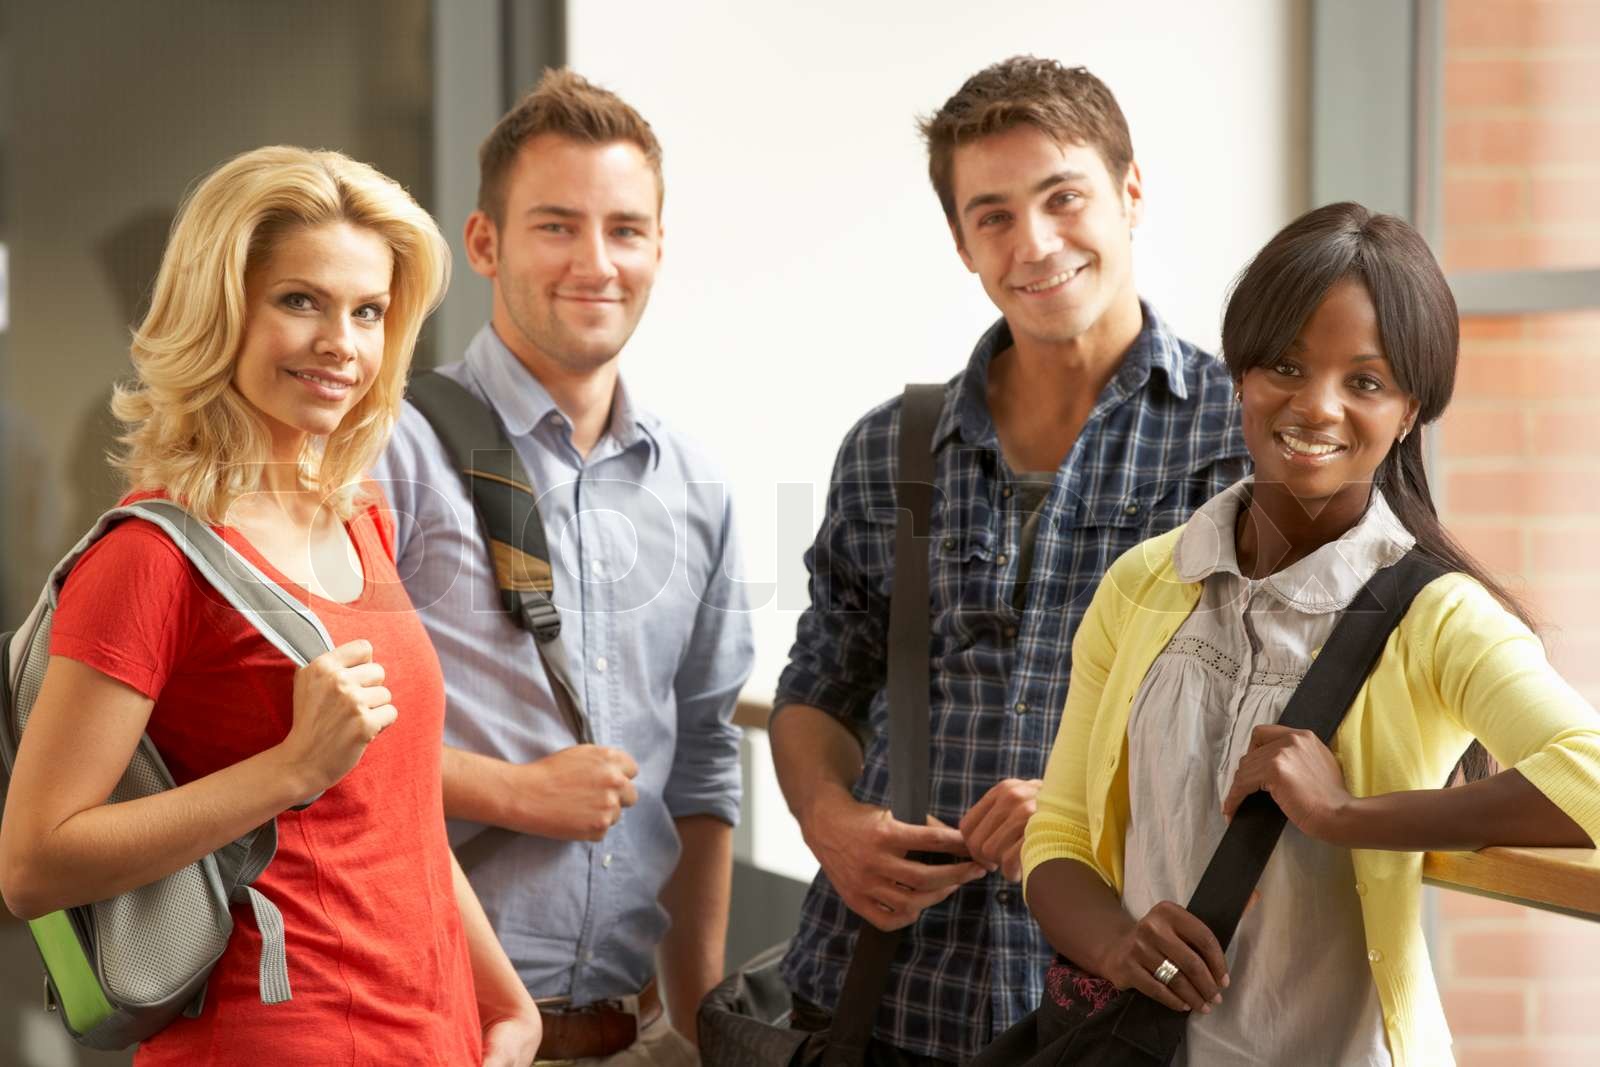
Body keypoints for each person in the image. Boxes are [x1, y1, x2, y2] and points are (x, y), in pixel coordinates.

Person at [0, 145, 543, 1066]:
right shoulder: (150, 556)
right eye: (301, 301)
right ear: (221, 312)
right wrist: (288, 770)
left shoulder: (359, 519)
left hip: (433, 1034)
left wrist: (507, 1005)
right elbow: (33, 862)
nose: (343, 342)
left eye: (368, 311)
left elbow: (393, 807)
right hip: (276, 1037)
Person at [1022, 201, 1600, 1066]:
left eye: (1365, 382)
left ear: (1409, 411)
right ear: (1242, 376)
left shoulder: (1437, 615)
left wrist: (1345, 814)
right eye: (1285, 365)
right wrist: (1115, 942)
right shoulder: (1144, 584)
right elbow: (1059, 832)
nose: (1316, 406)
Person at [769, 57, 1248, 1065]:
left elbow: (1277, 720)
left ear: (1128, 194)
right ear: (960, 241)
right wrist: (826, 818)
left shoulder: (1240, 443)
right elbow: (822, 676)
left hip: (1113, 1006)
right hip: (890, 994)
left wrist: (1087, 809)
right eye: (992, 214)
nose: (1033, 243)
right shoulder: (890, 446)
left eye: (1061, 197)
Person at [374, 70, 752, 1065]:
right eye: (555, 226)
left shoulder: (696, 488)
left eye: (625, 229)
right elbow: (305, 730)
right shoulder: (392, 452)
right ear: (485, 244)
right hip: (430, 1024)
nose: (596, 262)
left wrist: (703, 1020)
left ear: (658, 247)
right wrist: (511, 790)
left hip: (631, 1036)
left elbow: (706, 761)